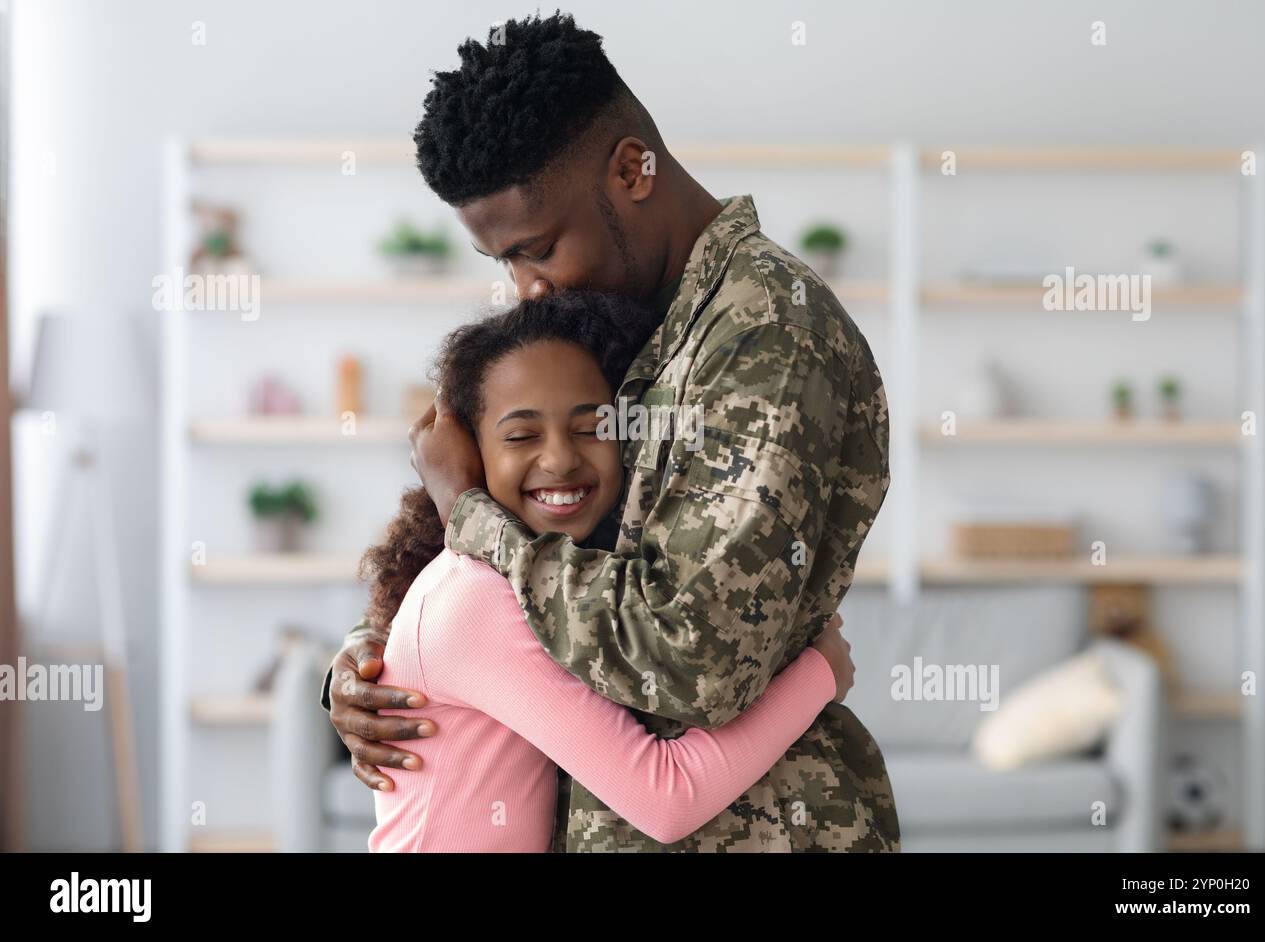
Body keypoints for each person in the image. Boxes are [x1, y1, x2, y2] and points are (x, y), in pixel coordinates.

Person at [325, 11, 898, 852]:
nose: (527, 287)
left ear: (633, 169)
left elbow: (694, 658)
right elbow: (543, 553)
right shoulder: (618, 326)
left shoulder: (768, 331)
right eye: (506, 264)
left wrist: (467, 513)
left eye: (540, 248)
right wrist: (376, 661)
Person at [361, 293, 855, 851]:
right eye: (521, 435)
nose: (560, 459)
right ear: (472, 455)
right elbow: (667, 797)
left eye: (591, 427)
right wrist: (821, 672)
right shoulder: (478, 596)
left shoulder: (573, 577)